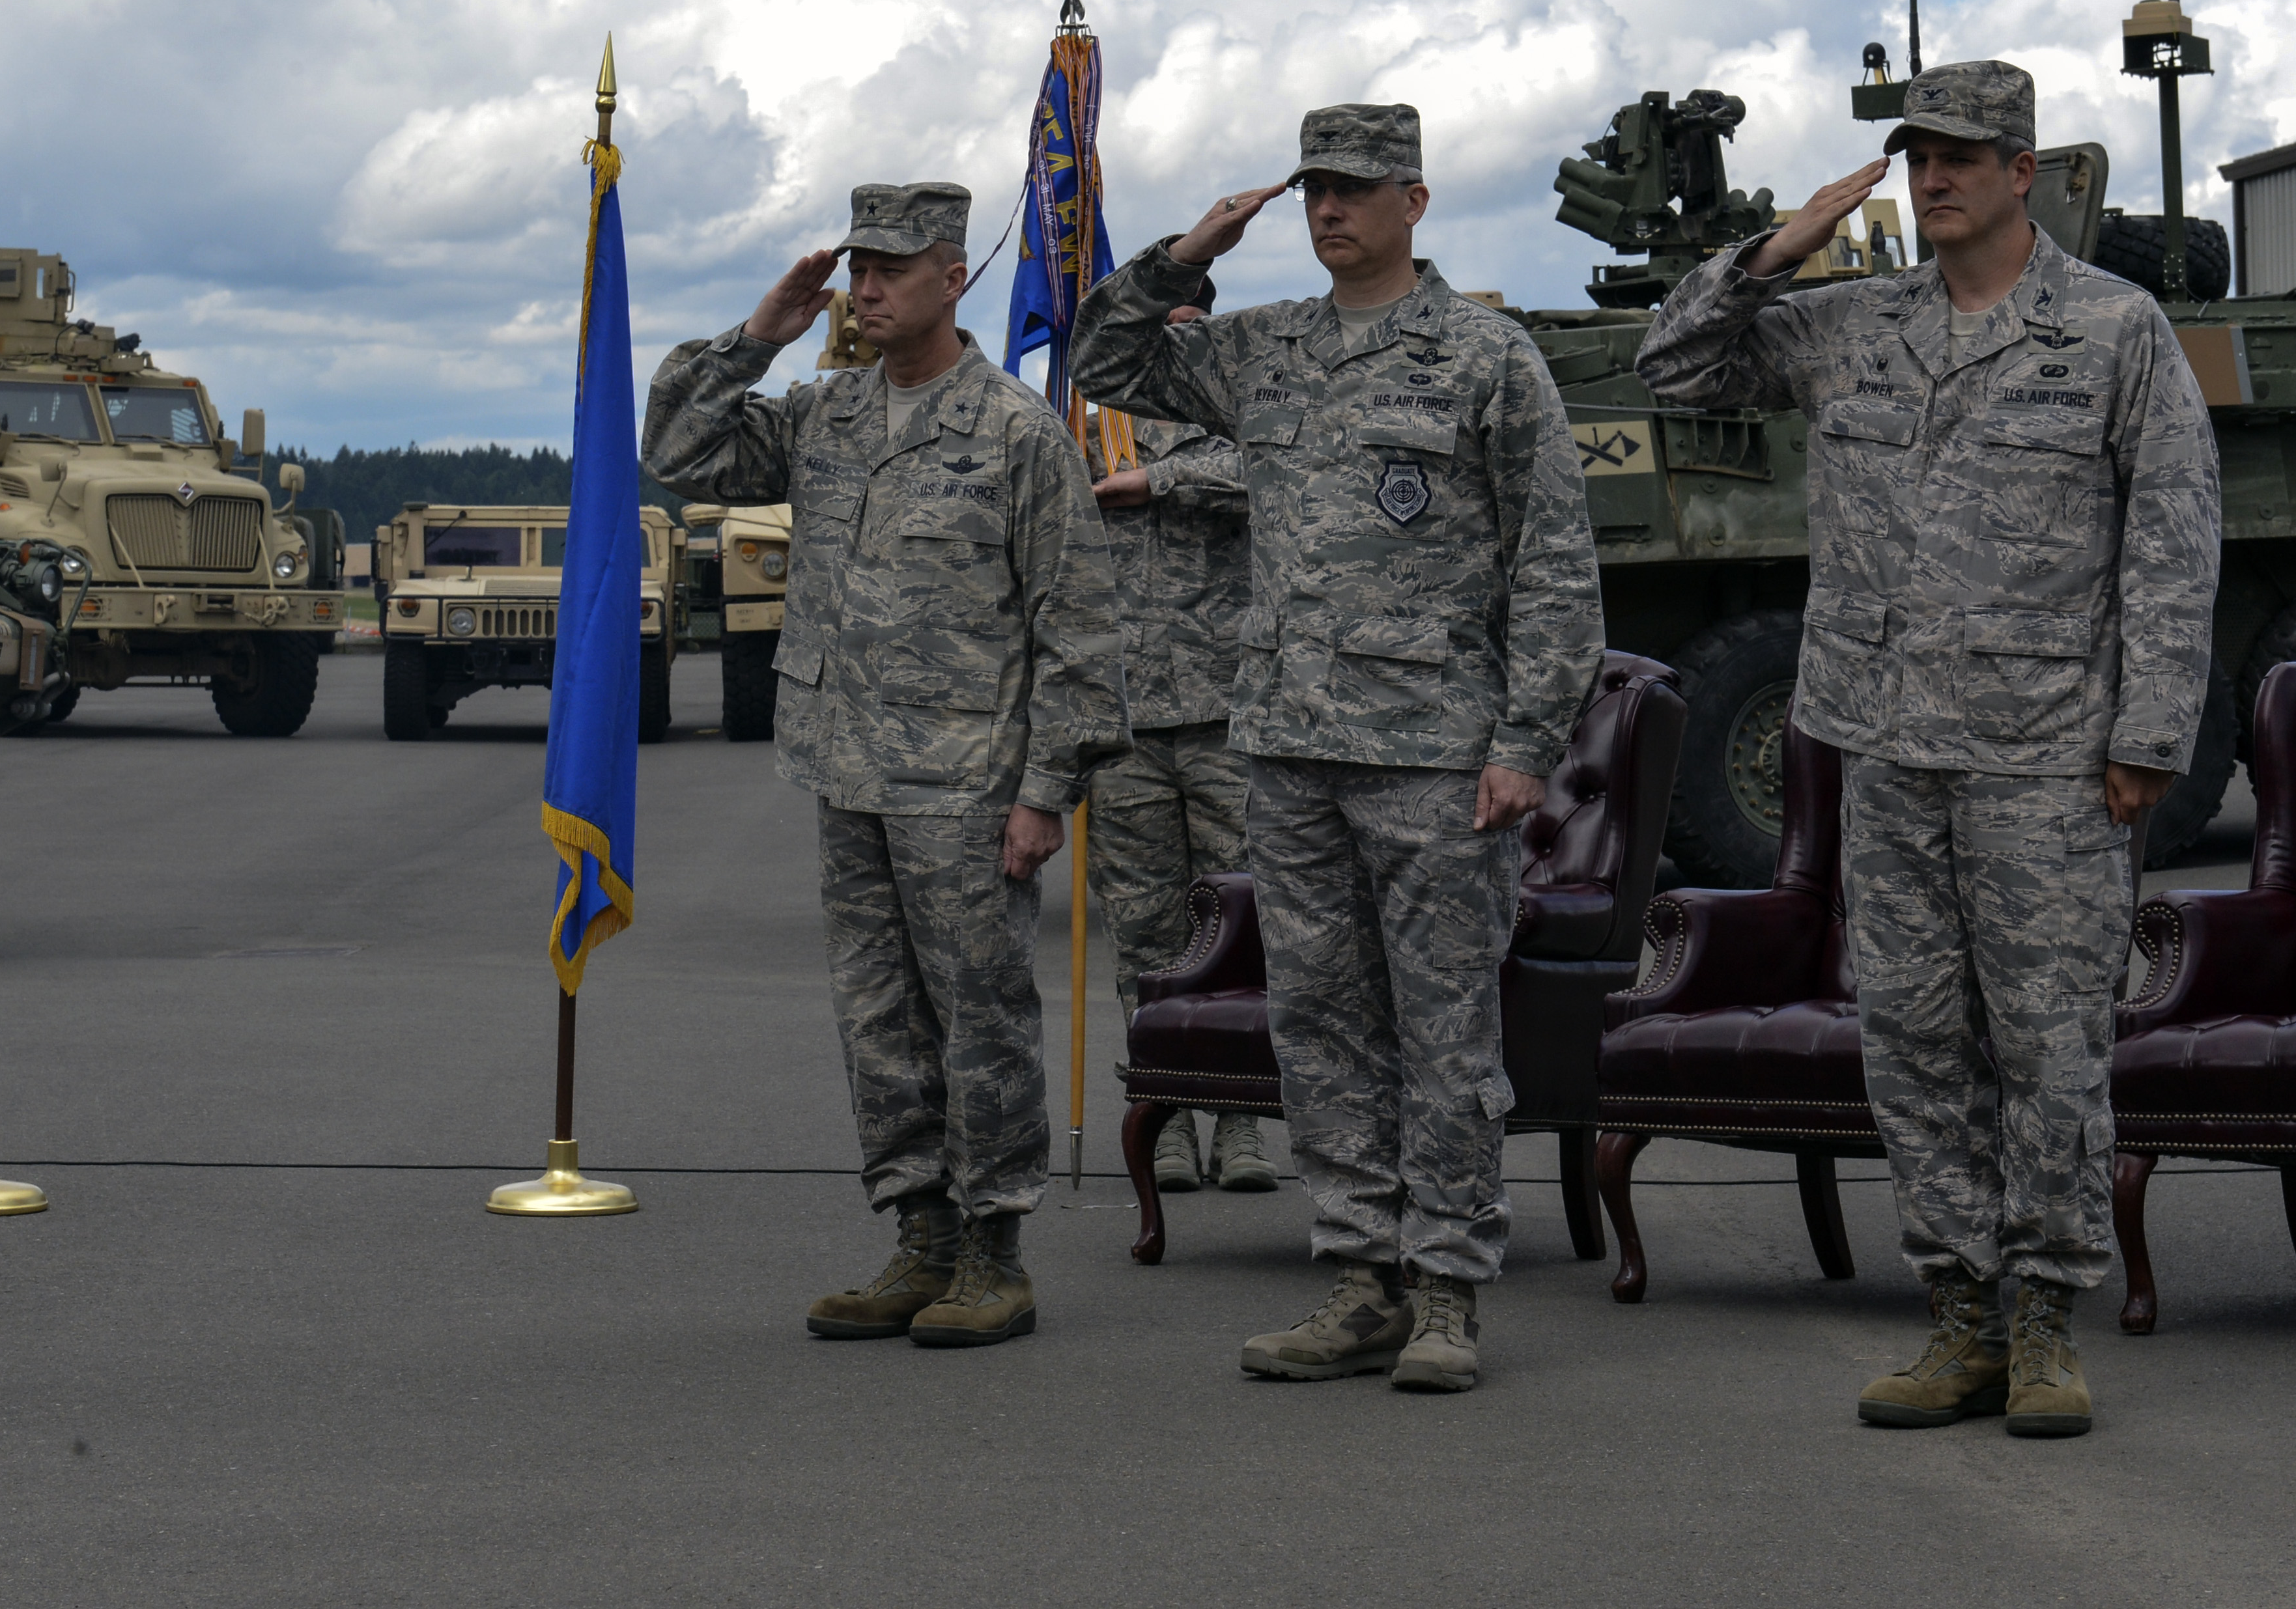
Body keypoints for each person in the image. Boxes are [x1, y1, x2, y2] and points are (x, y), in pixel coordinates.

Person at [1637, 61, 2220, 1437]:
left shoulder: (2109, 330)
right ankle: (1955, 1310)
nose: (1933, 176)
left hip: (2046, 758)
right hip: (1882, 747)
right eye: (1917, 157)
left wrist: (2147, 734)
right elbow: (1670, 367)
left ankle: (2043, 1323)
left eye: (1960, 154)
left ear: (2024, 170)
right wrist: (1776, 249)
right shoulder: (1848, 328)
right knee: (1907, 1040)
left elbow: (2174, 540)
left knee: (2048, 1043)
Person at [1076, 104, 1603, 1393]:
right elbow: (1102, 352)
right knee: (1317, 1023)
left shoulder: (1483, 356)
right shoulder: (1262, 349)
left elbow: (1554, 563)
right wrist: (1190, 247)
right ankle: (1358, 1273)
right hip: (1287, 743)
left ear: (1413, 202)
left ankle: (1445, 1290)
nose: (1331, 210)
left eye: (1358, 188)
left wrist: (1525, 740)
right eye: (1315, 187)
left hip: (1433, 752)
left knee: (1439, 1030)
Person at [642, 180, 1129, 1350]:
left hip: (969, 782)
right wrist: (759, 333)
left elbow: (1079, 624)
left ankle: (994, 1251)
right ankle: (916, 1235)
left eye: (892, 269)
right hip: (848, 769)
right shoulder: (829, 416)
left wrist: (1046, 790)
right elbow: (675, 449)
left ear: (951, 278)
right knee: (879, 1022)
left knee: (981, 1020)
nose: (866, 288)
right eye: (858, 268)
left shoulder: (1013, 429)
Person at [1084, 286, 1274, 1195]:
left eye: (1188, 333)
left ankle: (1244, 1118)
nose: (1175, 350)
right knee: (1146, 933)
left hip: (1228, 716)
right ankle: (1160, 1115)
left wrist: (1154, 481)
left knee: (1240, 920)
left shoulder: (1239, 411)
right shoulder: (1088, 428)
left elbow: (1261, 473)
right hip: (1121, 724)